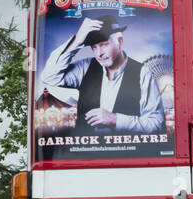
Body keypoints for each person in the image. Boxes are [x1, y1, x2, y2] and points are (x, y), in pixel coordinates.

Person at [38, 15, 166, 139]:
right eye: (94, 47)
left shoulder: (143, 73)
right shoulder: (85, 67)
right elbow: (49, 77)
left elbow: (156, 124)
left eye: (104, 44)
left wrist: (115, 119)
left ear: (120, 41)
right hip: (85, 154)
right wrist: (77, 40)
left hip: (126, 154)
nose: (99, 54)